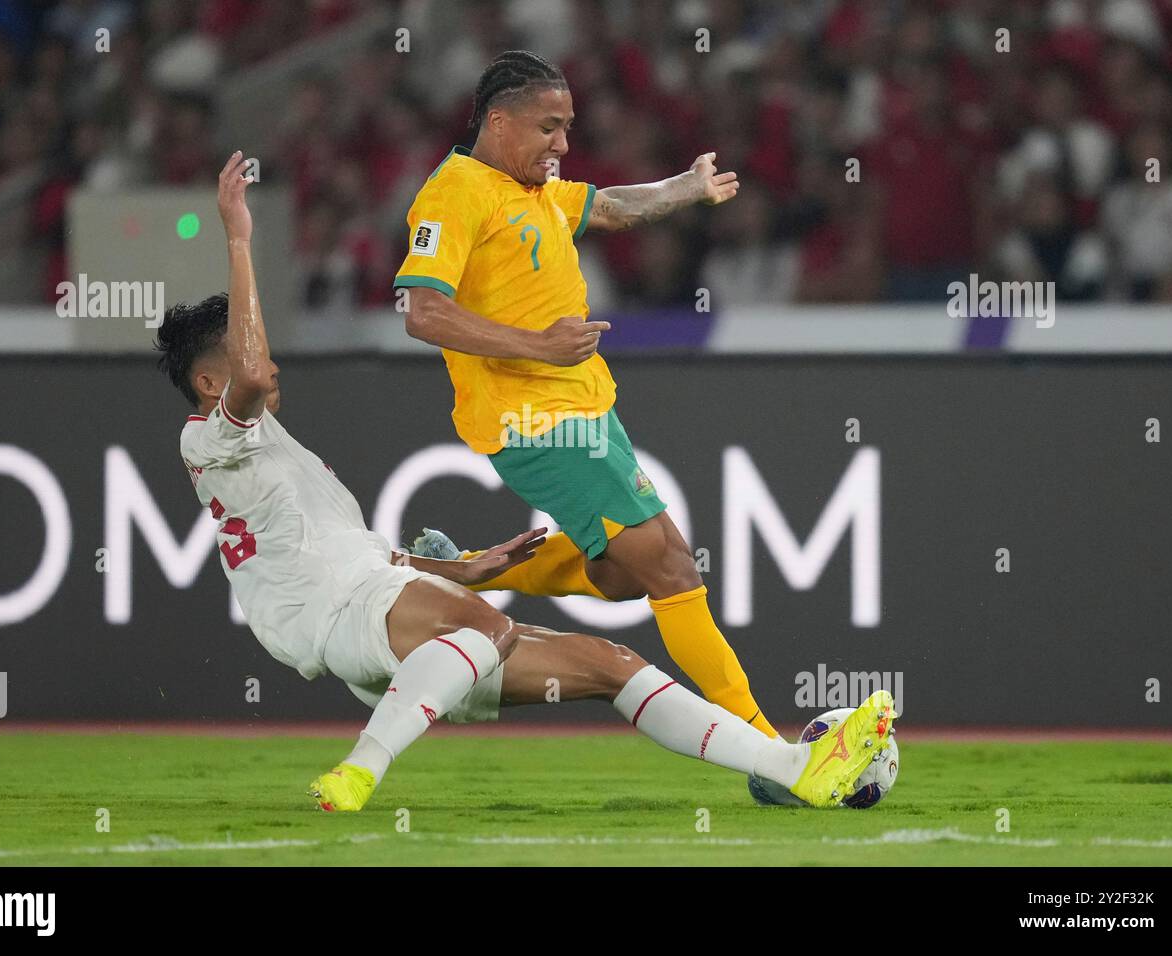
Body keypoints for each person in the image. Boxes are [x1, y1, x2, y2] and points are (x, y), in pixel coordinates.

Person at [155, 151, 894, 812]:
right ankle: (359, 771)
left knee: (612, 665)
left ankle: (791, 768)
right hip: (348, 615)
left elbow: (349, 548)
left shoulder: (271, 453)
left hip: (382, 619)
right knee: (497, 624)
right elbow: (253, 372)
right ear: (209, 382)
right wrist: (240, 238)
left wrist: (461, 569)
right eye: (246, 355)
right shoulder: (211, 438)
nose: (267, 363)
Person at [393, 50, 780, 740]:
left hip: (587, 408)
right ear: (498, 121)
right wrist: (538, 345)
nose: (563, 145)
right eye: (549, 128)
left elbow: (609, 206)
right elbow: (421, 311)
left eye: (567, 127)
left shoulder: (534, 187)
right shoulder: (454, 194)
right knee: (670, 565)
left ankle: (469, 571)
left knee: (624, 576)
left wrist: (687, 187)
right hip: (533, 420)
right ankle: (767, 747)